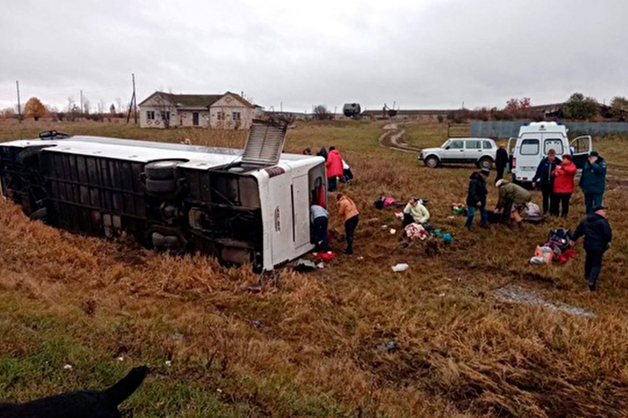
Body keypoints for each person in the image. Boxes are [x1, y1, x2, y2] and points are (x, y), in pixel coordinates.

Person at [571, 205, 612, 291]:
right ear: (598, 211)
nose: (605, 212)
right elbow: (607, 235)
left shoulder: (586, 220)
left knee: (589, 259)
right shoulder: (602, 222)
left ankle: (587, 276)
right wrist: (607, 243)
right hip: (598, 246)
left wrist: (573, 239)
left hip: (588, 244)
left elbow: (579, 231)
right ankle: (592, 281)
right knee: (596, 264)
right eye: (603, 211)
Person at [532, 149, 561, 215]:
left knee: (553, 198)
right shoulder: (543, 162)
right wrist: (534, 179)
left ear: (554, 155)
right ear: (548, 155)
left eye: (553, 156)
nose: (551, 157)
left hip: (553, 184)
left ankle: (552, 212)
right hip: (544, 183)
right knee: (545, 198)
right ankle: (545, 211)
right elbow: (538, 171)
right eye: (550, 155)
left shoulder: (558, 162)